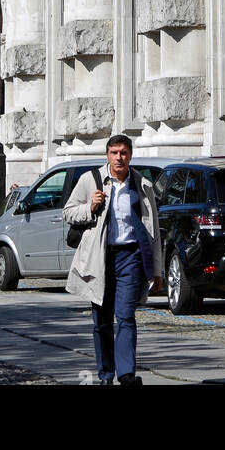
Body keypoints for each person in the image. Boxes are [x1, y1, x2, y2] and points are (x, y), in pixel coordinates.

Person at [63, 134, 162, 387]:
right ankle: (106, 374)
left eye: (124, 153)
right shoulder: (91, 180)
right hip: (100, 257)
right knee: (102, 321)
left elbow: (154, 232)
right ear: (107, 155)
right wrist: (91, 207)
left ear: (130, 155)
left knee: (126, 316)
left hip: (131, 256)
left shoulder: (142, 185)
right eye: (114, 152)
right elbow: (68, 212)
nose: (119, 157)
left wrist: (157, 270)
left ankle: (127, 374)